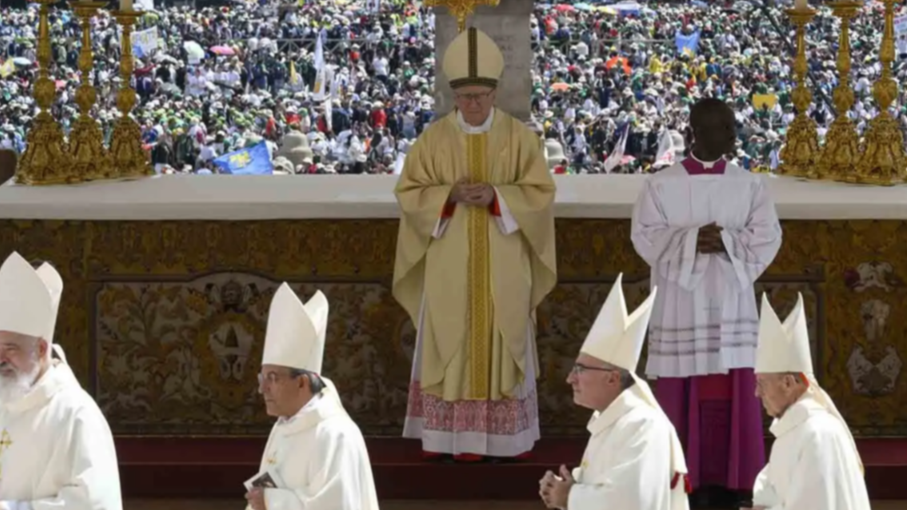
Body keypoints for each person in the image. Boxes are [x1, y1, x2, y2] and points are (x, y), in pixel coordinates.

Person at [393, 27, 558, 460]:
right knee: (451, 335)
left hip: (504, 262)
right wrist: (447, 196)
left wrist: (499, 197)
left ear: (494, 93)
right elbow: (409, 193)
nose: (472, 105)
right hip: (449, 263)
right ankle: (447, 437)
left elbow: (541, 194)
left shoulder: (520, 139)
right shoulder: (432, 140)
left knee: (501, 334)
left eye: (480, 97)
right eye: (465, 97)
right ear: (453, 95)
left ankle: (503, 438)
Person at [630, 97, 782, 505]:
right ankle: (680, 478)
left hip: (732, 302)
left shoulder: (749, 184)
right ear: (697, 131)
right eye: (725, 127)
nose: (733, 134)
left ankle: (735, 480)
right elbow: (645, 235)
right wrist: (695, 240)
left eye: (732, 126)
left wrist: (725, 241)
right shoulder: (661, 185)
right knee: (681, 390)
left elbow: (768, 236)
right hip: (681, 304)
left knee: (734, 388)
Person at [0, 253, 121, 510]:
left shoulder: (76, 413)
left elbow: (93, 501)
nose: (0, 360)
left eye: (11, 348)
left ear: (40, 349)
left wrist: (13, 509)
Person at [538, 274, 690, 510]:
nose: (570, 378)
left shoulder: (644, 425)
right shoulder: (613, 421)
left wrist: (570, 497)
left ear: (612, 378)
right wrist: (566, 487)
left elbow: (633, 501)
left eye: (580, 369)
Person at [244, 283, 379, 510]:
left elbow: (339, 506)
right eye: (262, 378)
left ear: (302, 383)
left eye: (273, 378)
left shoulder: (336, 435)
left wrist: (271, 502)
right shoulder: (283, 427)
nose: (262, 388)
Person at [752, 293, 869, 510]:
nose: (757, 393)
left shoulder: (818, 434)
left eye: (762, 383)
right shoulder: (795, 430)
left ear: (788, 383)